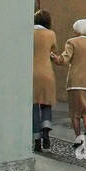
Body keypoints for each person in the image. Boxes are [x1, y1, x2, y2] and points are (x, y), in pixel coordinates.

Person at [55, 19, 86, 160]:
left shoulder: (72, 42)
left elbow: (64, 60)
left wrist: (54, 57)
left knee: (75, 114)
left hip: (75, 83)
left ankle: (78, 138)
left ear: (77, 30)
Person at [32, 10, 57, 153]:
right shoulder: (51, 34)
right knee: (46, 103)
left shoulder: (29, 33)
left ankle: (36, 140)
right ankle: (46, 128)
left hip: (31, 73)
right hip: (47, 73)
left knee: (34, 105)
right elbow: (53, 51)